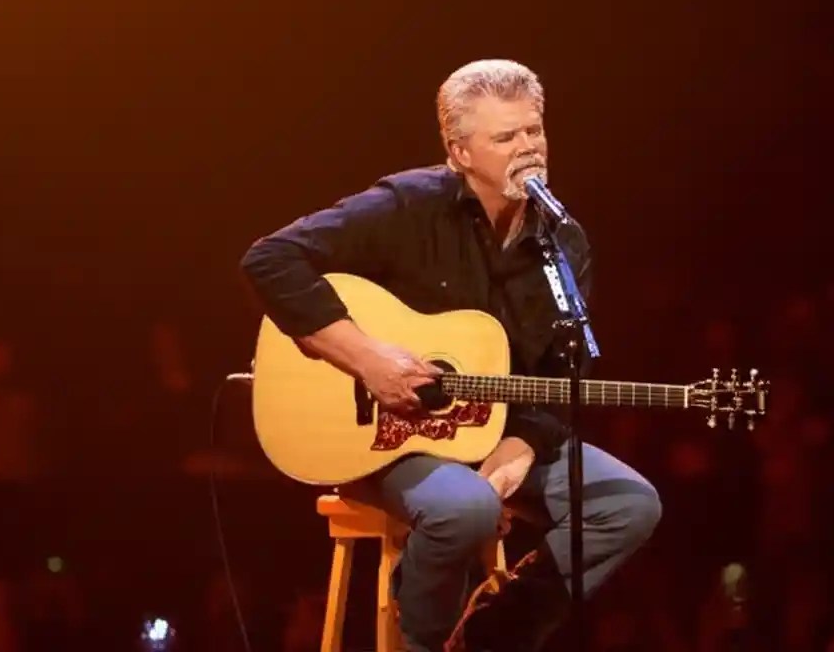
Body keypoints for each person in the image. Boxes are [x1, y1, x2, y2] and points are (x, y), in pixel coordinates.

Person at [239, 59, 662, 651]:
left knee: (630, 506)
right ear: (459, 152)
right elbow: (270, 261)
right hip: (387, 432)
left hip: (495, 431)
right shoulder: (408, 204)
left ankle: (494, 633)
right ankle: (422, 641)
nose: (528, 149)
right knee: (465, 509)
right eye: (505, 137)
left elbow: (563, 372)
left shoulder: (561, 242)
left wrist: (521, 447)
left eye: (533, 131)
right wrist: (365, 357)